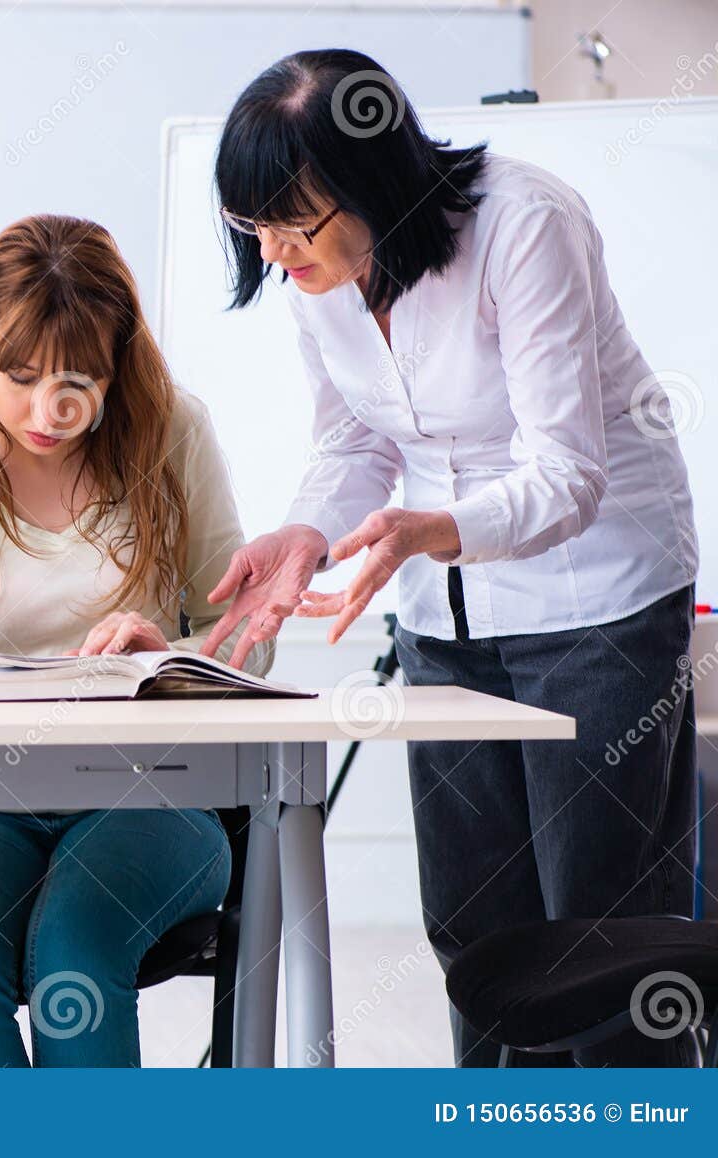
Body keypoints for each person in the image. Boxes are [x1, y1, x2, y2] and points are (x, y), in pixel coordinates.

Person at [202, 50, 699, 1065]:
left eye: (294, 220)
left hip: (595, 596)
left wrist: (432, 528)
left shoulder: (524, 225)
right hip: (442, 615)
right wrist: (305, 530)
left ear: (373, 181)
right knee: (474, 927)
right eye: (256, 226)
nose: (277, 249)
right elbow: (356, 443)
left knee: (599, 933)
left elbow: (567, 472)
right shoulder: (316, 274)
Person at [0, 214, 269, 1066]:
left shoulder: (173, 432)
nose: (50, 410)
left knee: (75, 945)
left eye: (80, 379)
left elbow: (248, 643)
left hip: (157, 795)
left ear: (120, 360)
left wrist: (165, 655)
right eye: (19, 376)